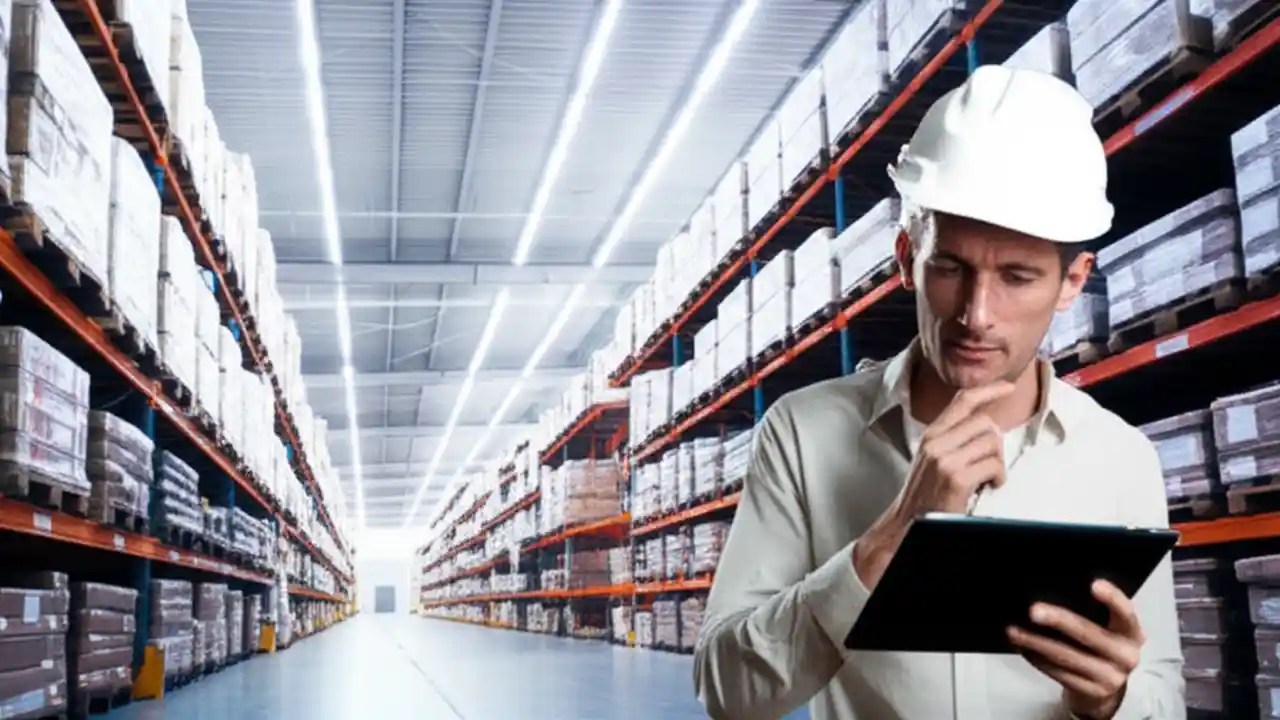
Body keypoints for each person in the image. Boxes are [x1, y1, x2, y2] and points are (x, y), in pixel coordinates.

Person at [692, 65, 1184, 720]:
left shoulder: (1120, 460)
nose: (977, 315)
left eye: (1017, 277)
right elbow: (730, 694)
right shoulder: (803, 434)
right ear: (905, 257)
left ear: (1072, 283)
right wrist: (893, 536)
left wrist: (1114, 700)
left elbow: (1164, 700)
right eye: (950, 268)